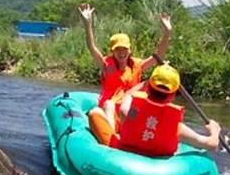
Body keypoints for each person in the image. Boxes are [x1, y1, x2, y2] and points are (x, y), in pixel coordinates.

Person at [78, 3, 172, 133]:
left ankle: (135, 137)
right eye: (118, 49)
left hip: (128, 112)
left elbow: (158, 56)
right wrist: (88, 25)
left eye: (124, 49)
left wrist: (167, 34)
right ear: (112, 51)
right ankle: (110, 140)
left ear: (129, 50)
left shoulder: (137, 65)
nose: (121, 53)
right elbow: (91, 47)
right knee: (109, 104)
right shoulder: (106, 65)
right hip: (109, 112)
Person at [89, 64, 221, 155]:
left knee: (95, 112)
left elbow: (127, 96)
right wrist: (215, 130)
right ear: (173, 94)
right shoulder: (177, 127)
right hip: (156, 161)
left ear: (149, 88)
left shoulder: (129, 107)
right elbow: (211, 144)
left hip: (123, 151)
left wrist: (144, 84)